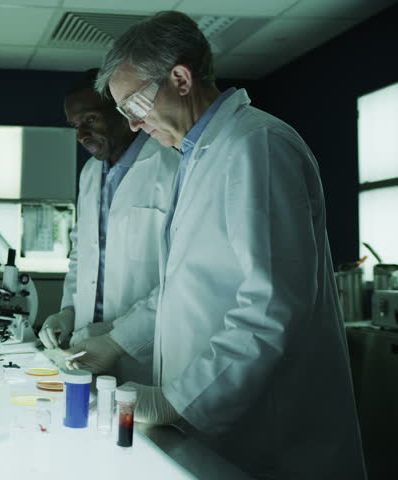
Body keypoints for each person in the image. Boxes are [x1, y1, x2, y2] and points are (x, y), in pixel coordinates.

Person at [96, 11, 365, 479]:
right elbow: (181, 285)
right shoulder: (196, 157)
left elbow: (273, 306)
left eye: (134, 105)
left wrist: (179, 400)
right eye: (125, 114)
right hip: (215, 421)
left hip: (269, 429)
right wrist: (115, 342)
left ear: (180, 79)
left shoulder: (256, 144)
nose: (134, 125)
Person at [38, 68, 179, 384]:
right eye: (75, 126)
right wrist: (69, 311)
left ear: (123, 111)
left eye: (90, 120)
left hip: (146, 349)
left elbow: (181, 276)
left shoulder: (171, 165)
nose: (82, 135)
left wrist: (120, 336)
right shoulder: (90, 173)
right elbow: (82, 254)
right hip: (85, 345)